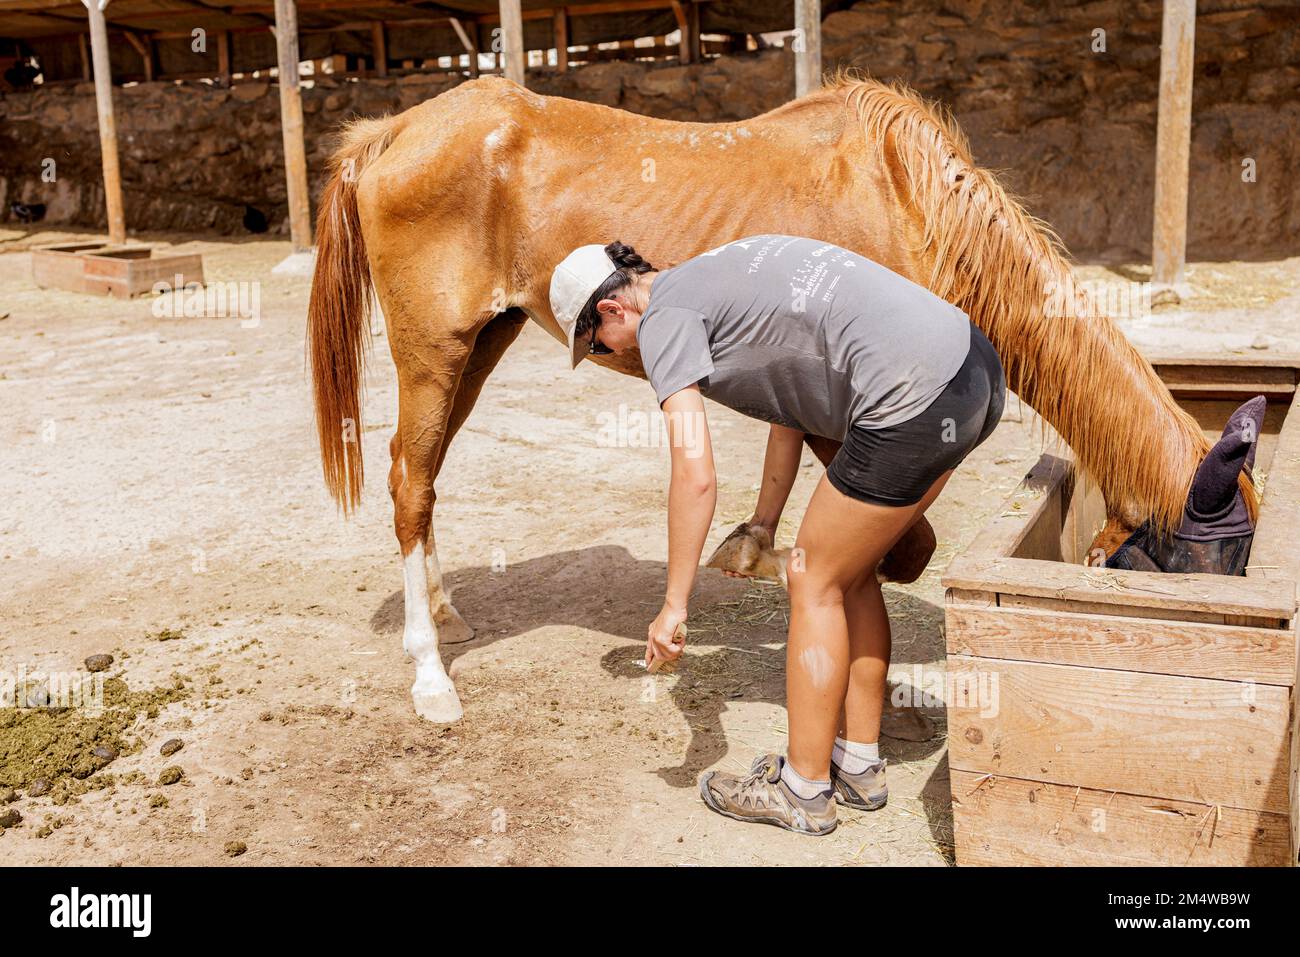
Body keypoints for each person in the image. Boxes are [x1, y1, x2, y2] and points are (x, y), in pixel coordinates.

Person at [549, 235, 1005, 836]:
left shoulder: (664, 321)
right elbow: (789, 411)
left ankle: (805, 792)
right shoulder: (713, 277)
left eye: (598, 345)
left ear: (611, 311)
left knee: (810, 579)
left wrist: (674, 605)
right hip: (971, 371)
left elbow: (694, 474)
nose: (611, 355)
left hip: (911, 399)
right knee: (848, 570)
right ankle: (859, 766)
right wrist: (764, 524)